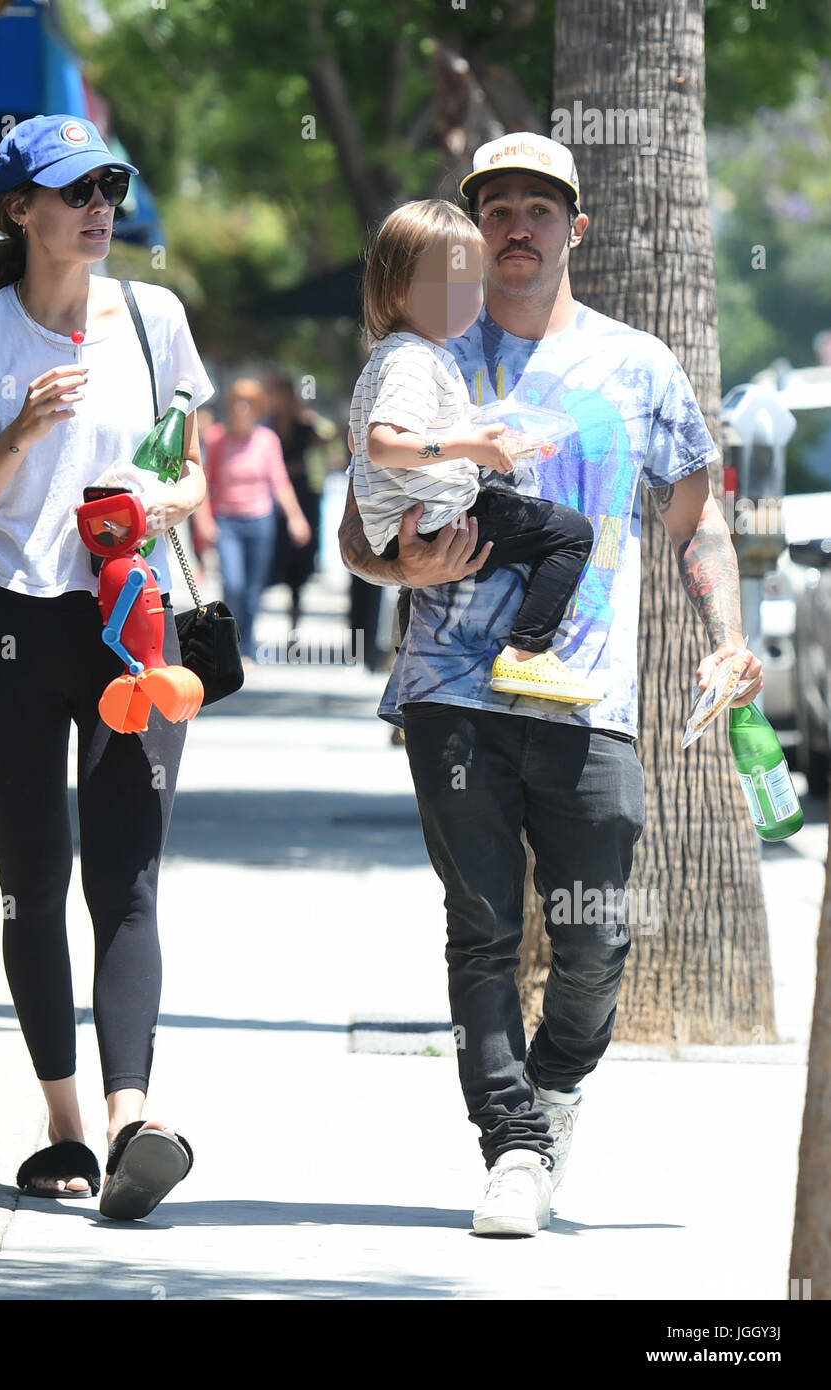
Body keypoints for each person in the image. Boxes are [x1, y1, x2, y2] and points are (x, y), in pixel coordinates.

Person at [338, 132, 763, 1236]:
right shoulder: (426, 352)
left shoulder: (637, 365)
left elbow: (692, 516)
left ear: (575, 228)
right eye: (496, 209)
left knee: (595, 938)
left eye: (538, 207)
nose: (515, 224)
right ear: (473, 233)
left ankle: (553, 1088)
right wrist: (399, 564)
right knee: (478, 928)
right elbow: (357, 529)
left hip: (588, 698)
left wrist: (726, 634)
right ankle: (511, 1147)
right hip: (451, 691)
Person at [0, 114, 215, 1219]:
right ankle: (66, 1130)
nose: (99, 205)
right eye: (73, 189)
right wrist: (21, 436)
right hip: (4, 639)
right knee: (32, 886)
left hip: (131, 627)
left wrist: (166, 501)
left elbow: (189, 477)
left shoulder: (154, 318)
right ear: (20, 210)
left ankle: (136, 1118)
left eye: (110, 185)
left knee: (126, 880)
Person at [349, 198, 601, 704]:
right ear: (402, 285)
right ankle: (526, 655)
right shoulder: (413, 359)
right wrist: (470, 445)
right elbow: (382, 444)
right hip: (434, 521)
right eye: (457, 283)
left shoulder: (407, 353)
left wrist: (489, 440)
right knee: (571, 534)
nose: (473, 296)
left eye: (474, 281)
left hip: (422, 519)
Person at [195, 378, 311, 662]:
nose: (241, 407)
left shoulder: (267, 440)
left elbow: (280, 483)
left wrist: (296, 518)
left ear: (257, 407)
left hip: (261, 520)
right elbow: (202, 482)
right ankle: (229, 644)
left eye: (248, 402)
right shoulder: (216, 438)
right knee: (233, 584)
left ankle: (246, 649)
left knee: (254, 589)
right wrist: (202, 522)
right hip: (227, 521)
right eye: (237, 401)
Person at [264, 372, 326, 632]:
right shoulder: (266, 424)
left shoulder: (304, 422)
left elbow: (325, 441)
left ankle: (295, 609)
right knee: (275, 553)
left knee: (300, 556)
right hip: (274, 495)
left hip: (302, 493)